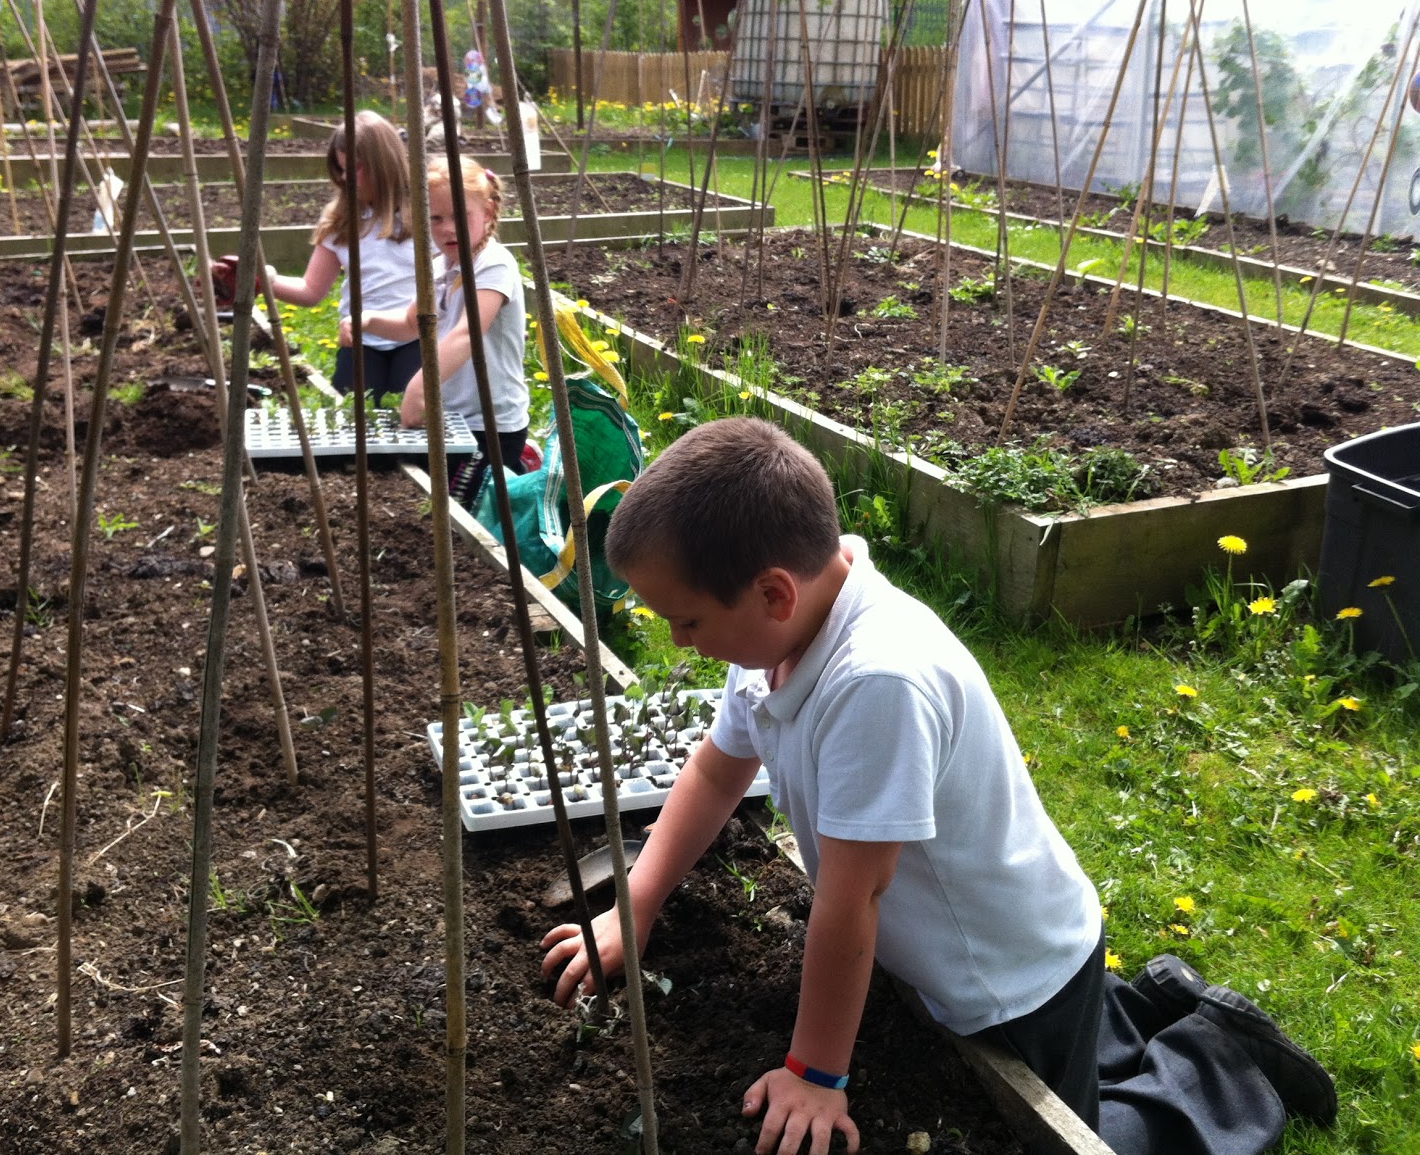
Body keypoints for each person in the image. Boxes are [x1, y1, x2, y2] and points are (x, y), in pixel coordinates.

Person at [539, 417, 1336, 1155]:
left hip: (1006, 978)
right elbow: (717, 769)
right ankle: (1153, 1003)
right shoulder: (779, 636)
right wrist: (636, 903)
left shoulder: (877, 681)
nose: (680, 642)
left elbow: (854, 896)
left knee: (1084, 1137)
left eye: (686, 621)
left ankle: (1222, 1059)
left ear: (774, 591)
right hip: (1009, 937)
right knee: (1075, 1045)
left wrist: (816, 1075)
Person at [360, 154, 530, 508]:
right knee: (440, 508)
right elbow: (411, 325)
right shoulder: (439, 267)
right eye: (435, 219)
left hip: (490, 425)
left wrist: (418, 388)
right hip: (451, 418)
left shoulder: (494, 264)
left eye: (459, 217)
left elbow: (467, 334)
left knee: (472, 518)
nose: (447, 229)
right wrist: (367, 321)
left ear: (488, 210)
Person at [247, 111, 419, 402]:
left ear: (385, 163)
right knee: (357, 421)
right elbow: (311, 291)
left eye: (356, 168)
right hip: (362, 340)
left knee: (414, 419)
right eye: (341, 169)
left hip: (419, 339)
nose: (346, 177)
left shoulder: (426, 215)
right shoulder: (341, 221)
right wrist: (262, 278)